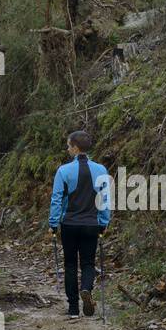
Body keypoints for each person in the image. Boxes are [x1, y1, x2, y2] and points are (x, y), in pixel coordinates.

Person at [48, 130, 111, 319]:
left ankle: (73, 308)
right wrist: (104, 222)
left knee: (69, 265)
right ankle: (86, 288)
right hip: (91, 224)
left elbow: (57, 199)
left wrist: (53, 223)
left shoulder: (63, 171)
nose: (67, 149)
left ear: (75, 148)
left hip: (70, 225)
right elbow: (104, 199)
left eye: (68, 146)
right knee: (88, 263)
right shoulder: (101, 170)